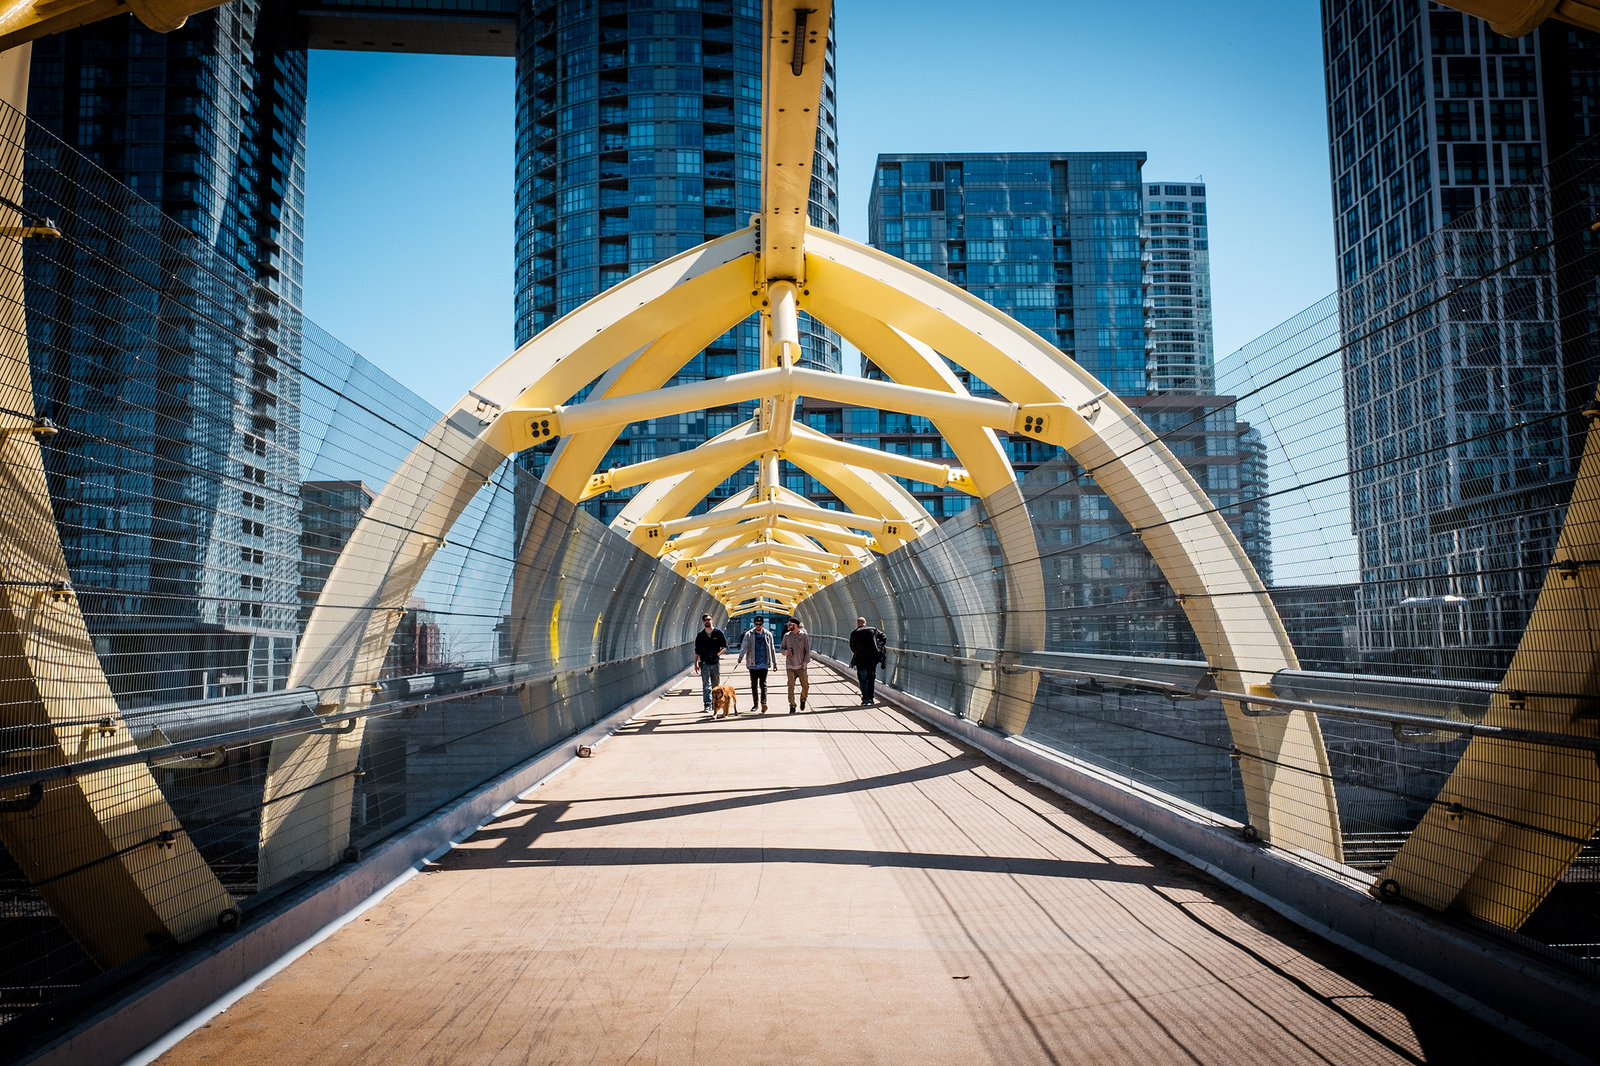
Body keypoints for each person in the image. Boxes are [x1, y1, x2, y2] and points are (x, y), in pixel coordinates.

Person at [736, 615, 777, 713]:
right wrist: (741, 656)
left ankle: (763, 703)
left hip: (764, 663)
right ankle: (755, 704)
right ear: (754, 624)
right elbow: (744, 646)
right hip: (752, 663)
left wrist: (775, 663)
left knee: (763, 684)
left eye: (760, 624)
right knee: (754, 685)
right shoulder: (749, 634)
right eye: (756, 624)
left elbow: (772, 648)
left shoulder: (768, 634)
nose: (758, 626)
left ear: (763, 624)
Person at [693, 613, 727, 714]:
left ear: (712, 620)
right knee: (706, 685)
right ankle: (707, 704)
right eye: (705, 620)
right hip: (704, 663)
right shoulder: (700, 635)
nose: (707, 621)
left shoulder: (718, 633)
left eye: (708, 619)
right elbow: (697, 651)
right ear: (703, 622)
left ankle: (716, 703)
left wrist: (718, 654)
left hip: (715, 663)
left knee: (716, 685)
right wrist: (695, 664)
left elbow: (724, 646)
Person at [848, 616, 885, 705]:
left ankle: (865, 699)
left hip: (860, 659)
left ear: (857, 624)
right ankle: (871, 698)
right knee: (871, 678)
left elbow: (852, 647)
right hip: (872, 659)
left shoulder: (854, 633)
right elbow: (883, 637)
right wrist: (879, 647)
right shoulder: (873, 630)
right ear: (866, 622)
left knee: (863, 679)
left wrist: (857, 652)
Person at [780, 618, 812, 713]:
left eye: (790, 625)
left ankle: (803, 698)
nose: (788, 626)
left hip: (801, 666)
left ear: (796, 625)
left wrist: (805, 663)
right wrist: (785, 652)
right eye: (788, 625)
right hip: (790, 666)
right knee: (790, 687)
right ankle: (792, 705)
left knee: (805, 685)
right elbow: (781, 648)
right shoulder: (786, 636)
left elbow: (807, 651)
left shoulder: (804, 636)